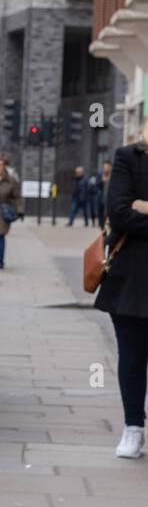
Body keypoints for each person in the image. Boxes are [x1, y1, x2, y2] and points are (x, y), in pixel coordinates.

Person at [93, 126, 148, 458]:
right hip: (132, 278)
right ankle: (133, 428)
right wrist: (132, 209)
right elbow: (119, 212)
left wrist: (145, 206)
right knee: (131, 357)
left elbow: (133, 212)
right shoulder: (129, 157)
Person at [93, 160, 112, 227]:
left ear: (110, 167)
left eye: (107, 167)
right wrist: (102, 181)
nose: (106, 169)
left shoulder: (113, 175)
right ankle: (102, 227)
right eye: (104, 167)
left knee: (107, 214)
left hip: (110, 198)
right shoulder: (99, 174)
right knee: (100, 213)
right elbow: (96, 185)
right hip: (100, 197)